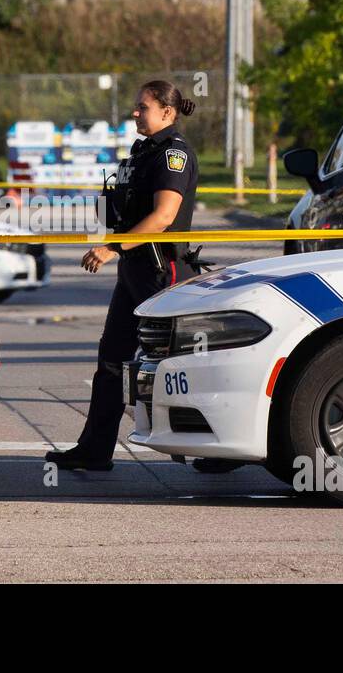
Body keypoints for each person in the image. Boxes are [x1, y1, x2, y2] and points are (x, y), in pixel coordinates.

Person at [46, 80, 204, 471]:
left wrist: (111, 247)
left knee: (181, 364)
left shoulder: (173, 154)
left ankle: (214, 452)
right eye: (135, 106)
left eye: (143, 107)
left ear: (167, 112)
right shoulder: (141, 151)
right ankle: (95, 450)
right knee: (112, 360)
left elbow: (164, 217)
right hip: (134, 271)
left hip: (160, 271)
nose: (135, 113)